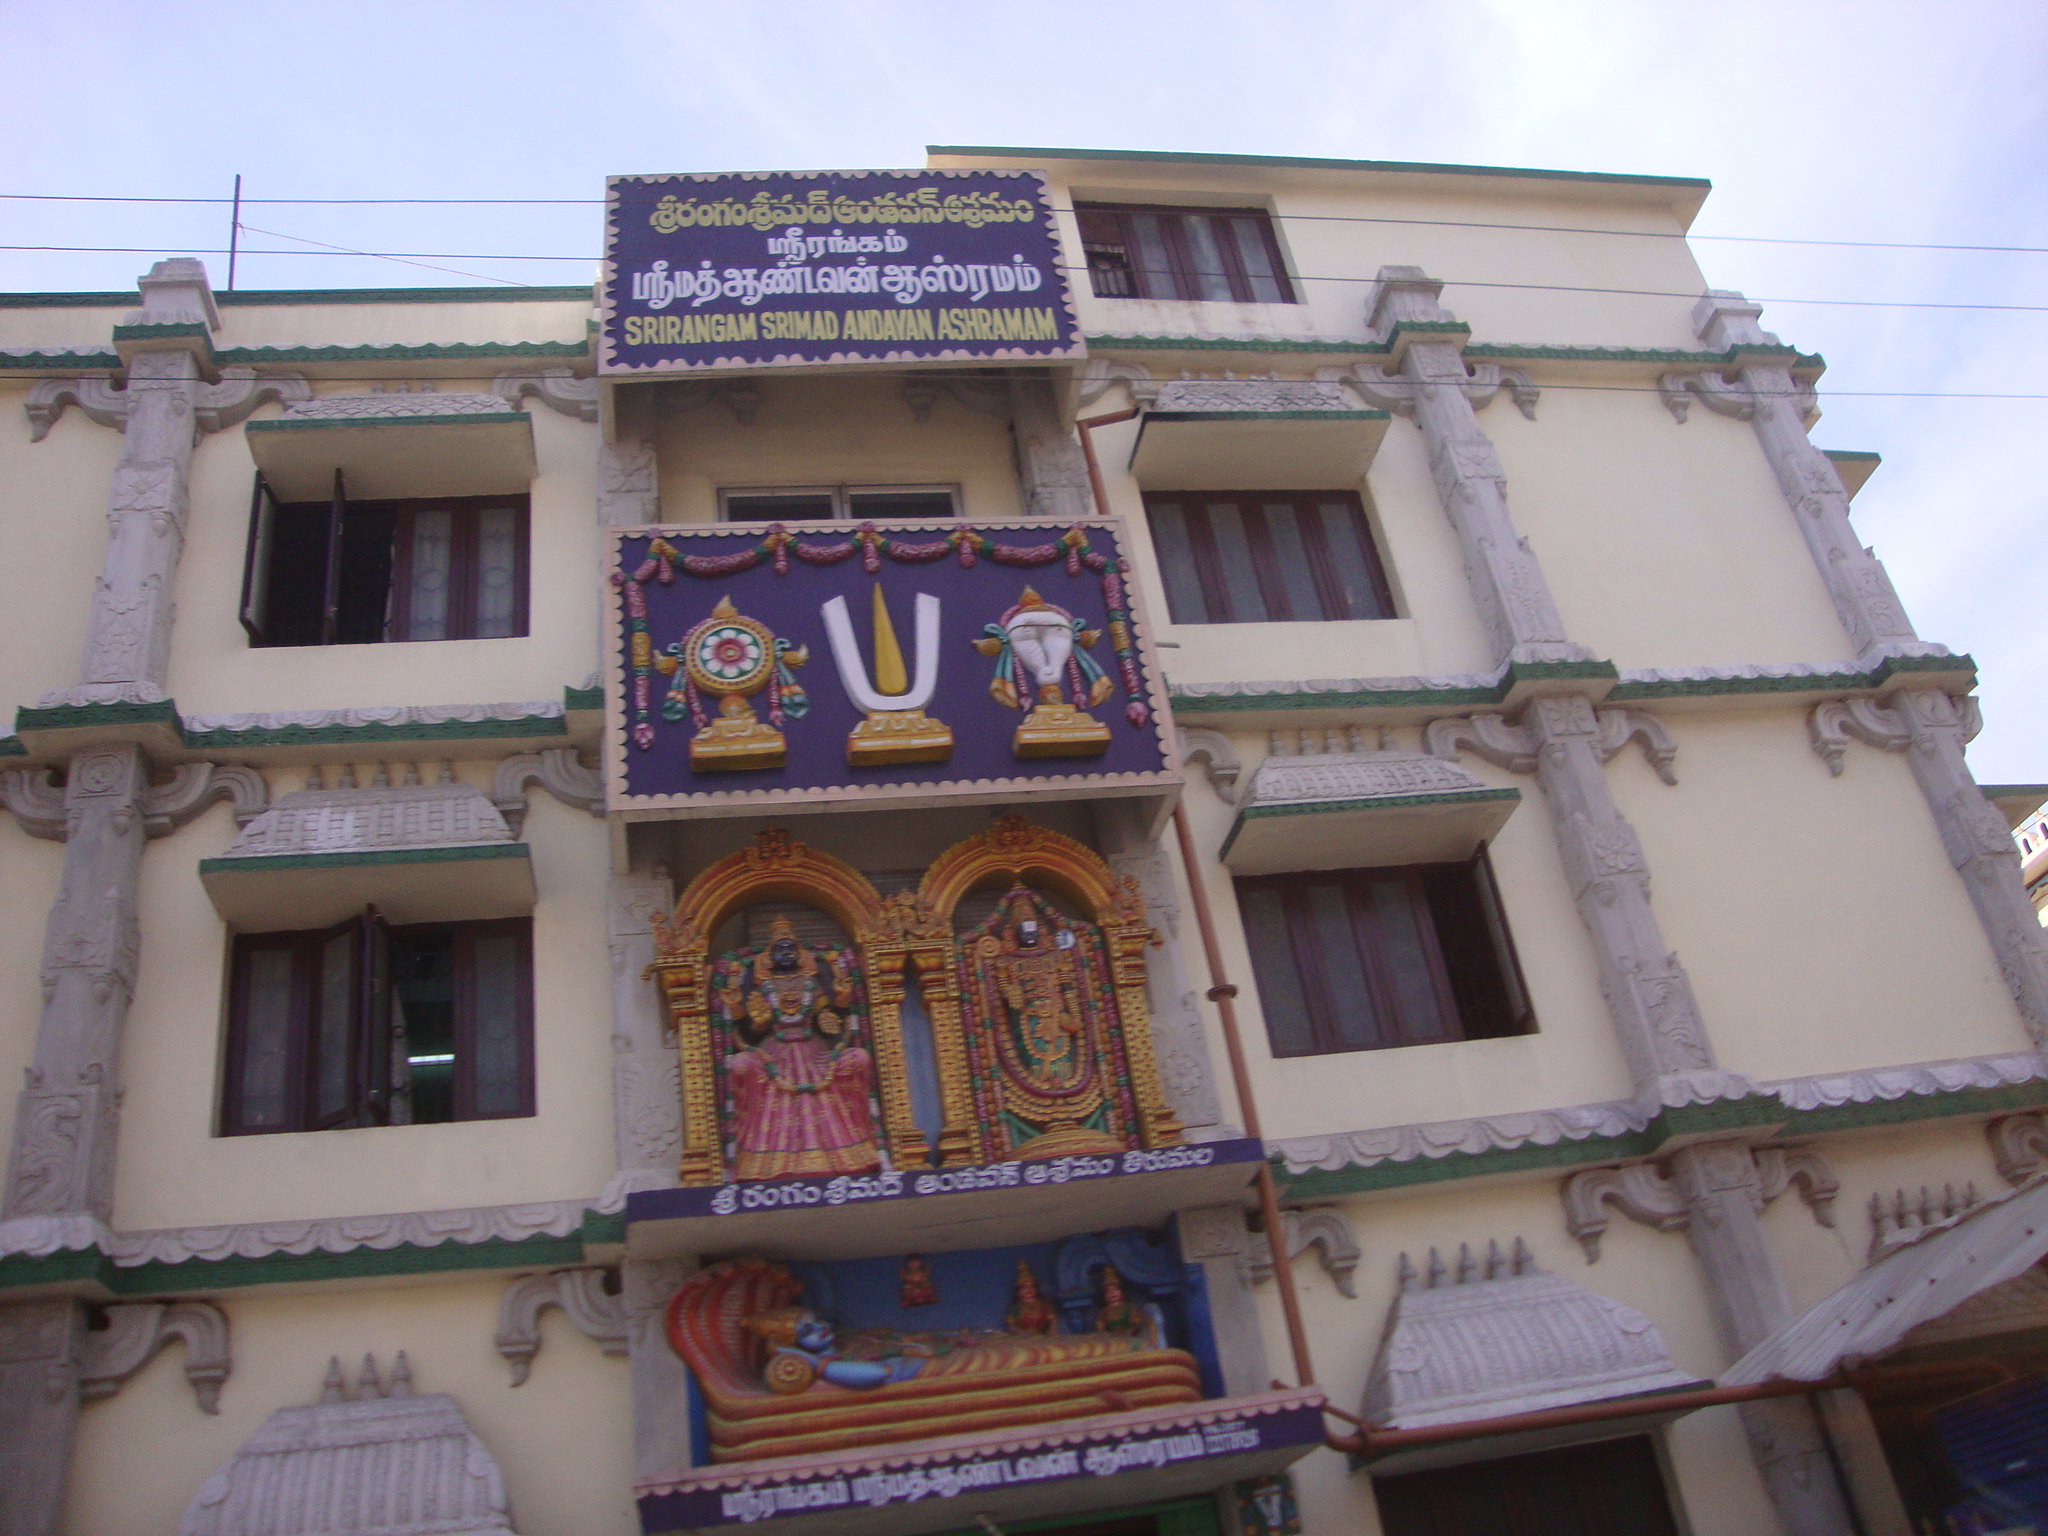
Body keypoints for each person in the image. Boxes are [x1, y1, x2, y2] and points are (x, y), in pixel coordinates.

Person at [718, 916, 880, 1179]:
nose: (786, 953)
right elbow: (752, 1030)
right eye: (780, 949)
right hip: (774, 1052)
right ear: (769, 957)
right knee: (742, 1065)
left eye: (790, 948)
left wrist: (840, 1000)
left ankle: (842, 1156)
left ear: (799, 954)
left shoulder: (810, 985)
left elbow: (828, 1022)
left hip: (812, 1052)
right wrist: (739, 1010)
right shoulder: (765, 987)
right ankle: (766, 1163)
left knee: (858, 1058)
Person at [1006, 1261, 1058, 1335]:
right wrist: (1022, 1332)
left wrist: (1051, 1332)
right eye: (1024, 1287)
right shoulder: (1016, 1308)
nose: (1028, 1290)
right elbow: (1010, 1326)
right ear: (1018, 1292)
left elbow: (1053, 1321)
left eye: (1031, 1286)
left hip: (1043, 1340)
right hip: (1022, 1340)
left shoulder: (1045, 1305)